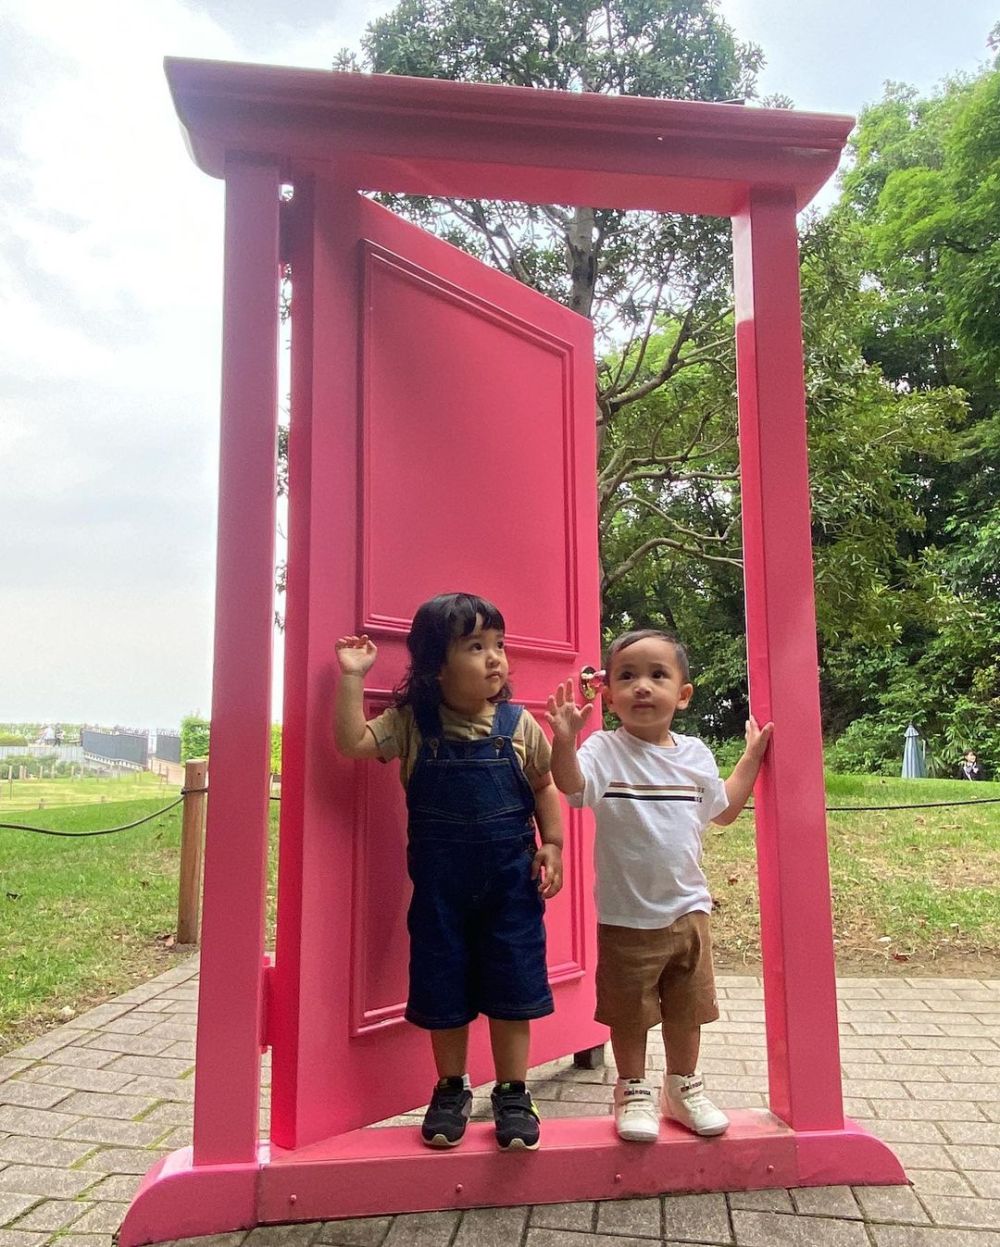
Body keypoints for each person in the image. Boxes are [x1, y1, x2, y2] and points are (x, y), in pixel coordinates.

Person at [334, 592, 563, 1152]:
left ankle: (513, 1092)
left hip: (511, 888)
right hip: (439, 894)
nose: (496, 659)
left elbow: (544, 785)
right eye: (476, 646)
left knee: (514, 988)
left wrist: (553, 843)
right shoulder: (412, 726)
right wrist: (350, 678)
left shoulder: (519, 726)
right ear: (438, 665)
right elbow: (351, 742)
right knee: (445, 992)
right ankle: (451, 1088)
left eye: (500, 646)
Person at [546, 629, 772, 1143]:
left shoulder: (694, 755)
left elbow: (725, 811)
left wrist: (752, 758)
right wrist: (564, 742)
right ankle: (632, 1090)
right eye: (627, 677)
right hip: (627, 917)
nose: (641, 687)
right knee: (630, 1015)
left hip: (689, 911)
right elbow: (573, 787)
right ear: (608, 695)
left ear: (683, 694)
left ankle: (682, 1088)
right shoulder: (604, 749)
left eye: (657, 675)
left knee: (685, 1009)